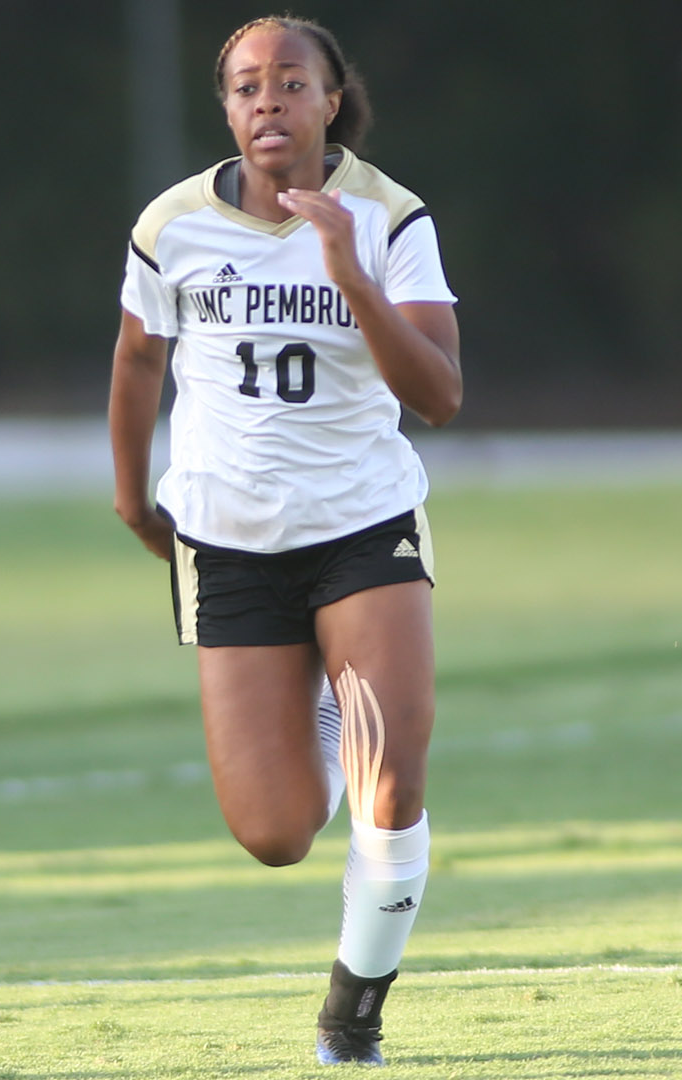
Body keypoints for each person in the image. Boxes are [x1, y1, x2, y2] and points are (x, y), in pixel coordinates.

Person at [108, 15, 460, 1067]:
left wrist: (351, 275)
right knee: (275, 834)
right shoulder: (172, 226)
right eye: (247, 86)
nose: (268, 101)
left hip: (362, 525)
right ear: (226, 109)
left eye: (290, 82)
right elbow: (137, 363)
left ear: (330, 100)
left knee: (391, 776)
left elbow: (439, 393)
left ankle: (353, 1016)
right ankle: (324, 684)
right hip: (230, 542)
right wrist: (133, 500)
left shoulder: (389, 216)